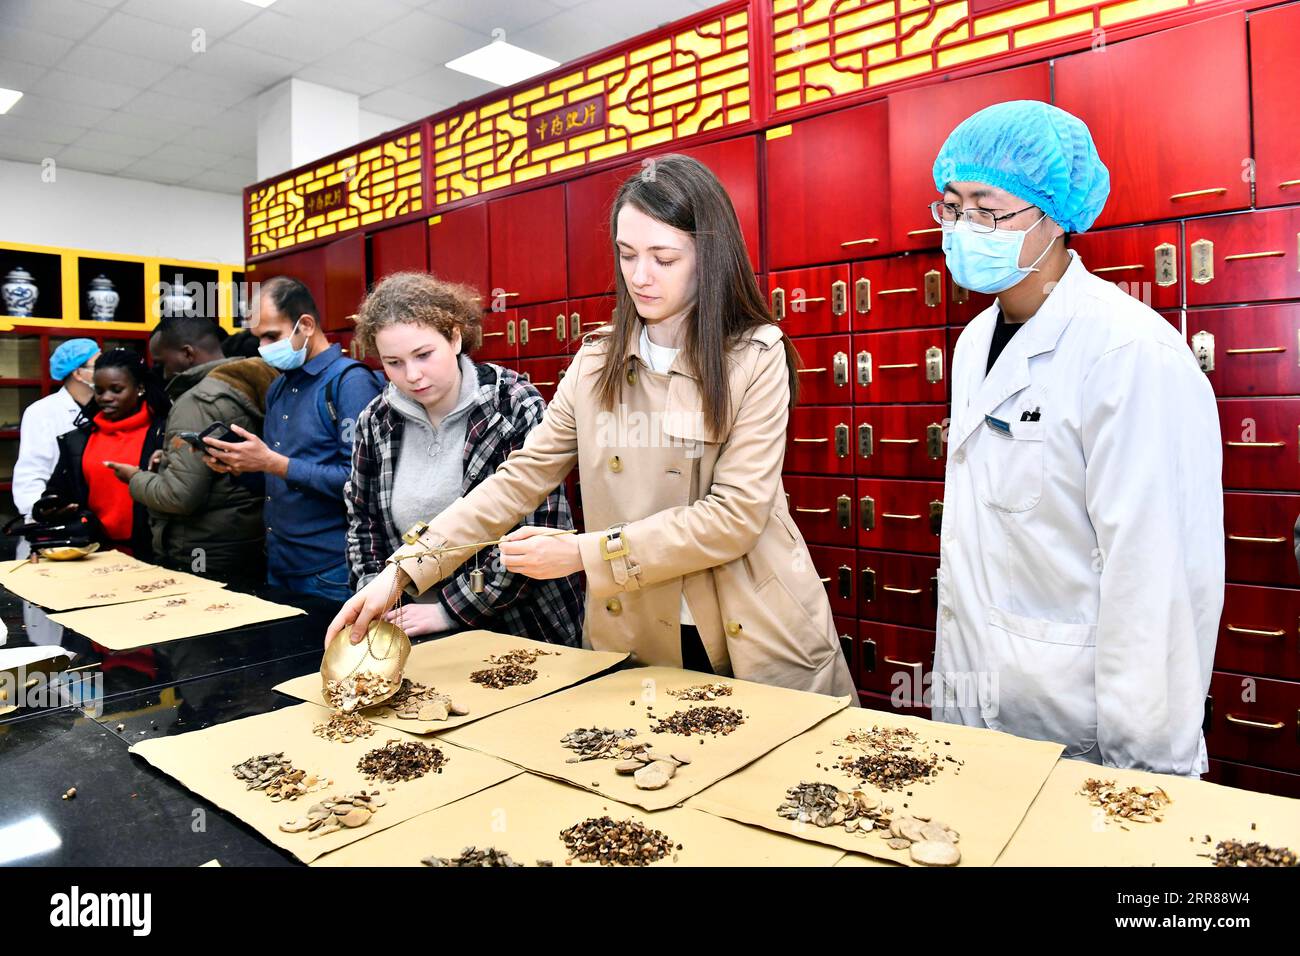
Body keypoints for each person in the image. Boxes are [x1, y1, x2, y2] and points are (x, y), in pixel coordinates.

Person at [330, 155, 856, 698]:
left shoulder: (755, 356)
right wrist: (404, 570)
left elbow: (734, 516)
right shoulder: (596, 362)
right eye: (627, 254)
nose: (640, 276)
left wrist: (582, 554)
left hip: (749, 623)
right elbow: (521, 477)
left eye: (664, 258)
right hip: (639, 619)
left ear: (709, 255)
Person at [927, 100, 1223, 776]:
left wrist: (1147, 774)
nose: (964, 229)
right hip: (976, 704)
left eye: (987, 209)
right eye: (953, 207)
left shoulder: (1129, 354)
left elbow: (1155, 578)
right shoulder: (974, 342)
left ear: (1055, 215)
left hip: (1080, 726)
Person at [345, 272, 583, 644]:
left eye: (424, 355)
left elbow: (536, 530)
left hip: (521, 628)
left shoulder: (511, 404)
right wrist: (377, 594)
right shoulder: (375, 421)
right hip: (409, 628)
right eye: (394, 363)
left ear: (455, 337)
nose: (412, 375)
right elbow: (363, 523)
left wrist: (448, 609)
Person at [201, 276, 382, 602]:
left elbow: (360, 483)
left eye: (273, 335)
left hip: (332, 569)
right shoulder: (278, 388)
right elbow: (276, 481)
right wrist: (240, 466)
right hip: (280, 562)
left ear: (306, 325)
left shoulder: (349, 383)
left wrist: (273, 463)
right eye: (258, 338)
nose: (264, 348)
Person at [116, 315, 278, 587]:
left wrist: (134, 477)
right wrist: (171, 459)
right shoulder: (248, 384)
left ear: (187, 353)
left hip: (201, 550)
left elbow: (180, 496)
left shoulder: (197, 402)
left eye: (162, 362)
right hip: (246, 540)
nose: (162, 374)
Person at [45, 349, 169, 558]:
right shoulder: (79, 438)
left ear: (139, 388)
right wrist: (50, 507)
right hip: (92, 553)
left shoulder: (163, 433)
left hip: (150, 552)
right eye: (99, 390)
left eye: (116, 390)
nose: (106, 398)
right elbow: (58, 490)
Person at [11, 338, 100, 557]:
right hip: (56, 527)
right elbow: (31, 473)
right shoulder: (42, 412)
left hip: (95, 522)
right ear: (78, 373)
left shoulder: (107, 406)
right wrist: (41, 514)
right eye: (98, 364)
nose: (106, 369)